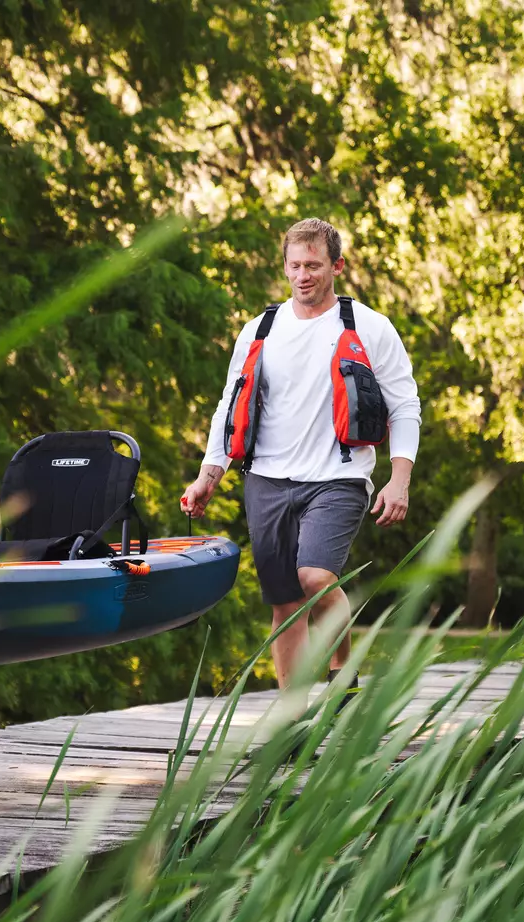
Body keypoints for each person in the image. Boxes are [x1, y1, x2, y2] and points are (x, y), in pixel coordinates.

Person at [181, 219, 420, 688]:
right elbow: (228, 407)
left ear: (337, 266)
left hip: (338, 478)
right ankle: (292, 719)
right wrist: (210, 475)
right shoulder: (260, 329)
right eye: (295, 265)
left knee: (314, 576)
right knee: (285, 604)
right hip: (266, 480)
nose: (303, 274)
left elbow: (405, 404)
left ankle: (341, 675)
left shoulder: (369, 326)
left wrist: (399, 479)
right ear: (285, 267)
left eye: (314, 265)